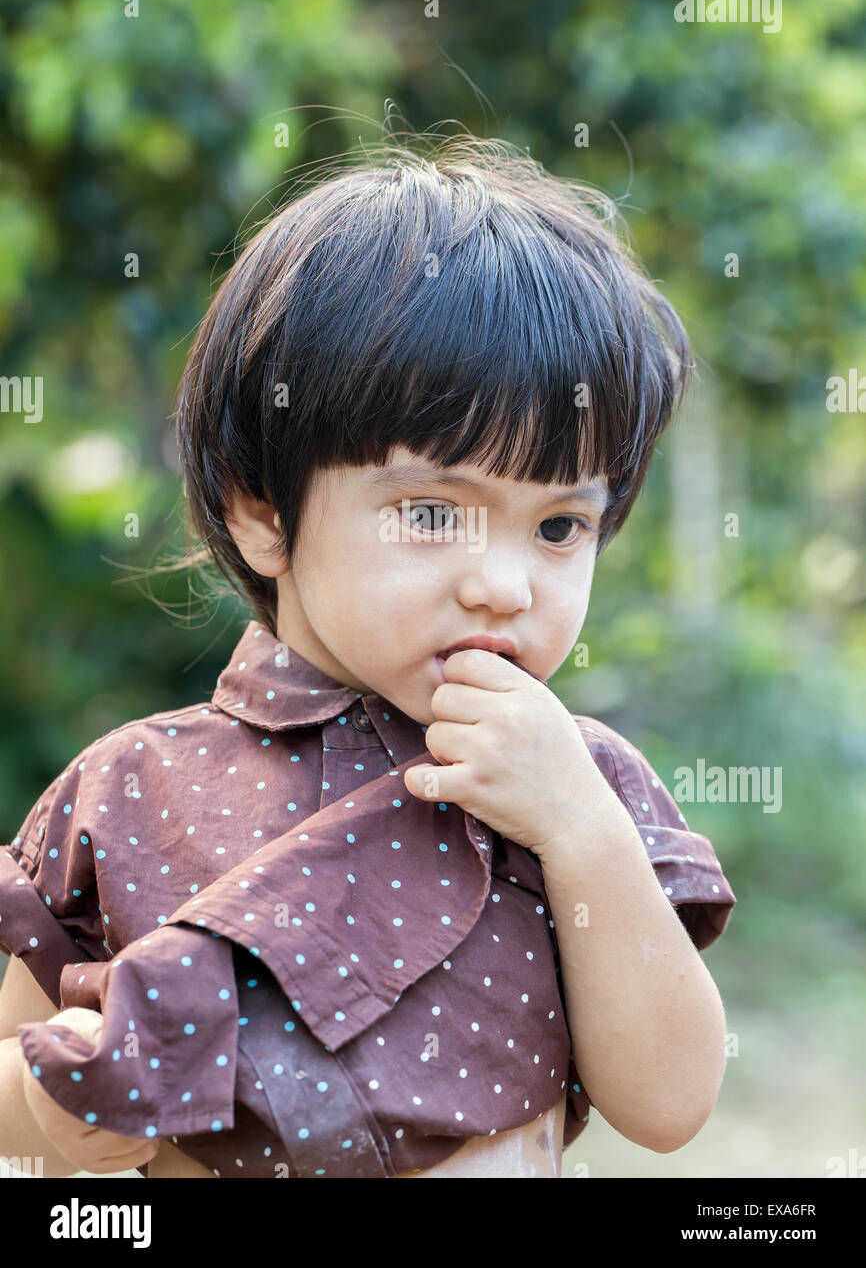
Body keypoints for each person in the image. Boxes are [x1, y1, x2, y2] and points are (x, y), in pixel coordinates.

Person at [0, 136, 736, 1179]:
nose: (504, 583)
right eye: (433, 511)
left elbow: (667, 1104)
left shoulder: (578, 785)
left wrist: (577, 827)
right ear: (263, 513)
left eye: (559, 527)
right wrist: (53, 1112)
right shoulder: (130, 789)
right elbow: (19, 1063)